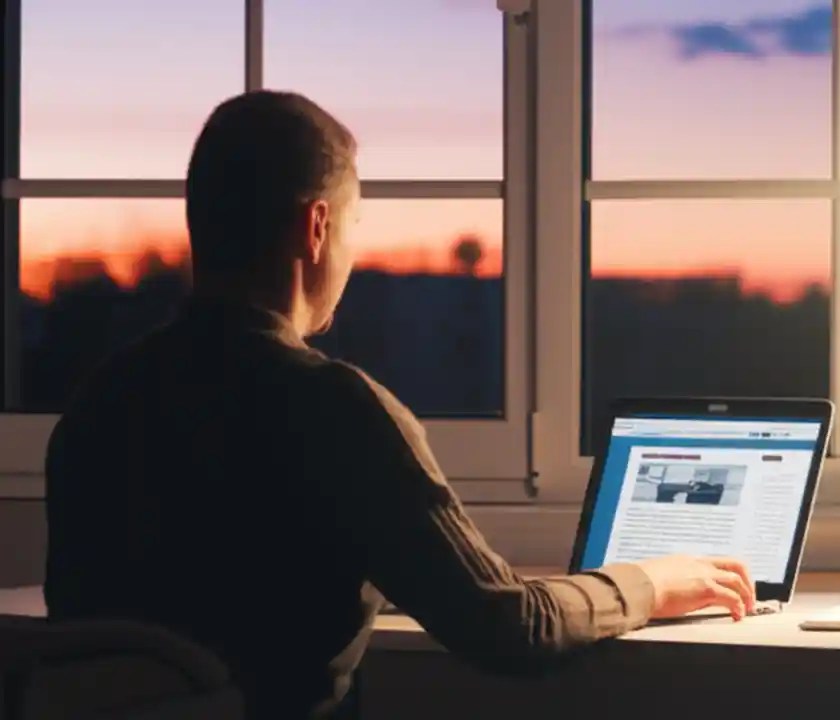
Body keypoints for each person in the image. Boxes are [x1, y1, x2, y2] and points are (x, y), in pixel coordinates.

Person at [42, 90, 755, 720]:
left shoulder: (99, 403)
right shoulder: (332, 408)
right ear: (316, 227)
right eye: (353, 228)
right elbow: (509, 628)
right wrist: (651, 581)